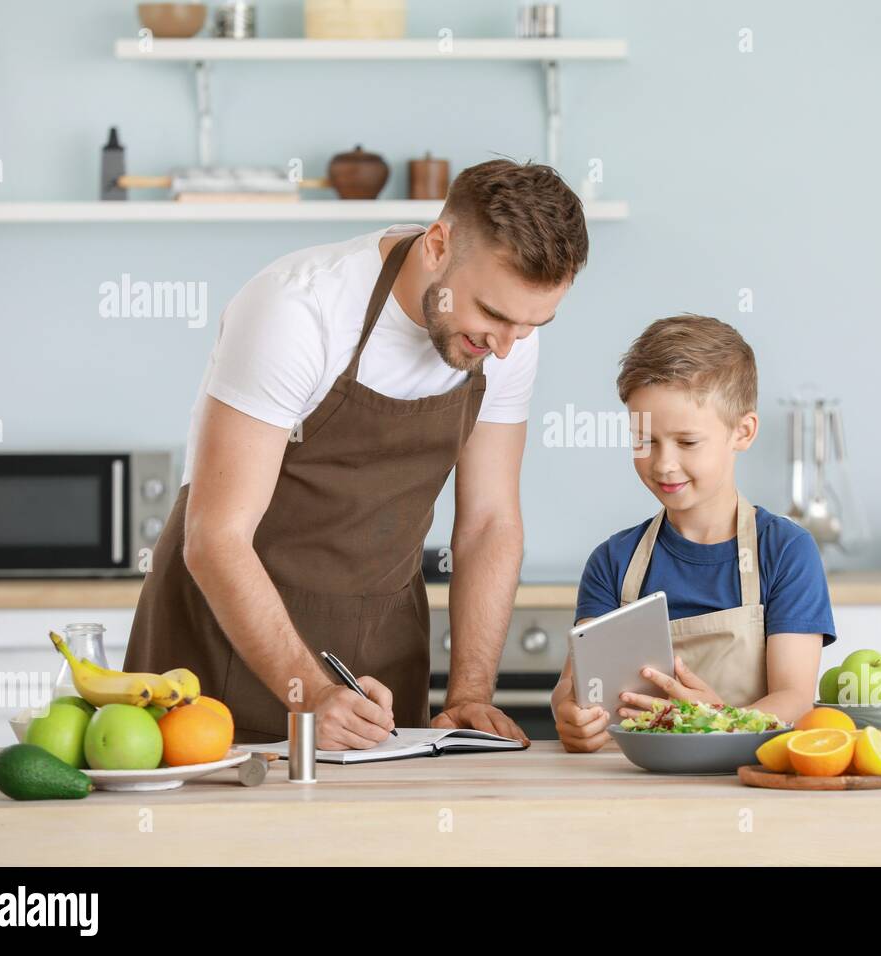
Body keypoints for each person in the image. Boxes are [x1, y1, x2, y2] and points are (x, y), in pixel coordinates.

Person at [125, 160, 588, 748]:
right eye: (493, 314)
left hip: (378, 656)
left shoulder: (509, 336)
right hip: (223, 646)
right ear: (438, 244)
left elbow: (489, 524)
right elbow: (216, 536)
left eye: (531, 324)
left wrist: (470, 692)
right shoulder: (298, 309)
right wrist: (309, 694)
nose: (504, 348)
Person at [551, 315, 836, 752]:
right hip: (629, 787)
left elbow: (794, 698)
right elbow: (574, 686)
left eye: (687, 443)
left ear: (742, 432)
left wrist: (716, 722)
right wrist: (569, 715)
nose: (663, 464)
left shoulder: (785, 552)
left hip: (745, 779)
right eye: (645, 440)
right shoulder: (613, 562)